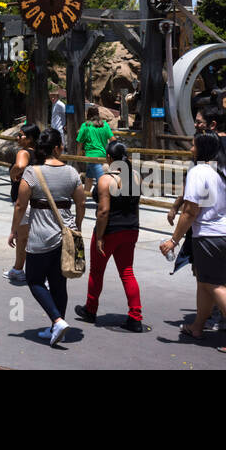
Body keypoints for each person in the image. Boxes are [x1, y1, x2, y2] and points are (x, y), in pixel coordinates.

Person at [160, 133, 226, 356]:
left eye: (193, 145)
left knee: (215, 285)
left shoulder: (199, 172)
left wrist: (174, 240)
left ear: (202, 148)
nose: (191, 149)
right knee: (205, 282)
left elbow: (191, 211)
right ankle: (197, 327)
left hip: (210, 236)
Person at [11, 128, 85, 346]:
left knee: (34, 280)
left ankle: (57, 320)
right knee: (59, 283)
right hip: (67, 235)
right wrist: (76, 226)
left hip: (41, 236)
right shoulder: (71, 172)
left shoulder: (32, 173)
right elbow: (80, 203)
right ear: (56, 147)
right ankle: (56, 326)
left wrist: (14, 229)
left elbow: (20, 205)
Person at [75, 139, 144, 332]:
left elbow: (103, 211)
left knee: (97, 272)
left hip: (110, 231)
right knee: (127, 271)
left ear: (108, 157)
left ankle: (90, 309)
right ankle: (135, 316)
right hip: (131, 229)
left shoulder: (106, 179)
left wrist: (99, 236)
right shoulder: (136, 176)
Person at [3, 124, 39, 283]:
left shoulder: (23, 152)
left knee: (22, 238)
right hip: (37, 199)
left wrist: (12, 174)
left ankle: (20, 270)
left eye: (21, 135)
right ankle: (18, 268)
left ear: (30, 138)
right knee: (30, 237)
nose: (17, 137)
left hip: (26, 201)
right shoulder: (40, 153)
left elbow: (20, 166)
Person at [75, 105, 113, 197]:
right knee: (89, 178)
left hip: (91, 156)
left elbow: (79, 142)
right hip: (103, 155)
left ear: (88, 115)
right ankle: (84, 196)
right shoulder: (104, 124)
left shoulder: (85, 125)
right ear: (98, 114)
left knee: (101, 180)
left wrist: (78, 154)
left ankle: (105, 199)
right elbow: (113, 139)